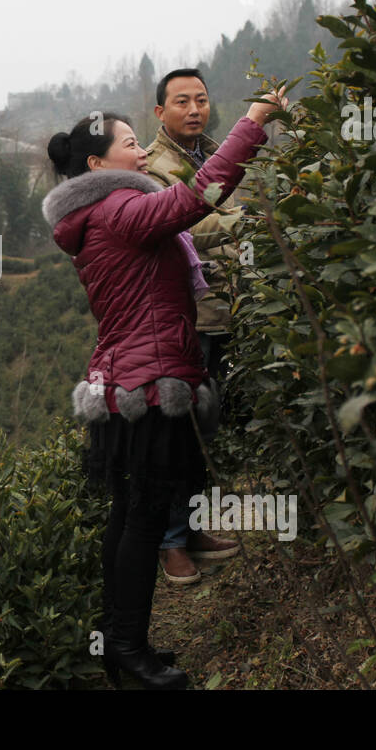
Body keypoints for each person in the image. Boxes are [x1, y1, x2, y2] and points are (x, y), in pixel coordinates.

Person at [42, 90, 285, 689]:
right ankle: (128, 651)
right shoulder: (118, 211)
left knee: (130, 517)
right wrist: (252, 123)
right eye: (131, 143)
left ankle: (124, 646)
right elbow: (198, 196)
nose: (143, 149)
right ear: (98, 166)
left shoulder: (102, 212)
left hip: (127, 375)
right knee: (142, 518)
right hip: (148, 383)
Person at [143, 69, 244, 583]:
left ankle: (193, 526)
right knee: (176, 432)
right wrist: (242, 220)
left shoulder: (205, 156)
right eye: (181, 101)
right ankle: (170, 542)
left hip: (222, 308)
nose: (194, 109)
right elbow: (186, 222)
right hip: (188, 316)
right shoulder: (155, 167)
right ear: (160, 112)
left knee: (203, 427)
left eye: (201, 99)